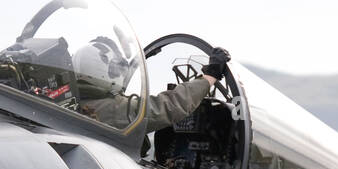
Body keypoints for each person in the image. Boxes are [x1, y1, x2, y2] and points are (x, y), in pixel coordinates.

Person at [73, 39, 232, 130]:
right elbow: (166, 107)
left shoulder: (73, 101)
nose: (120, 73)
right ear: (104, 70)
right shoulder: (112, 109)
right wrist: (210, 76)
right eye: (116, 68)